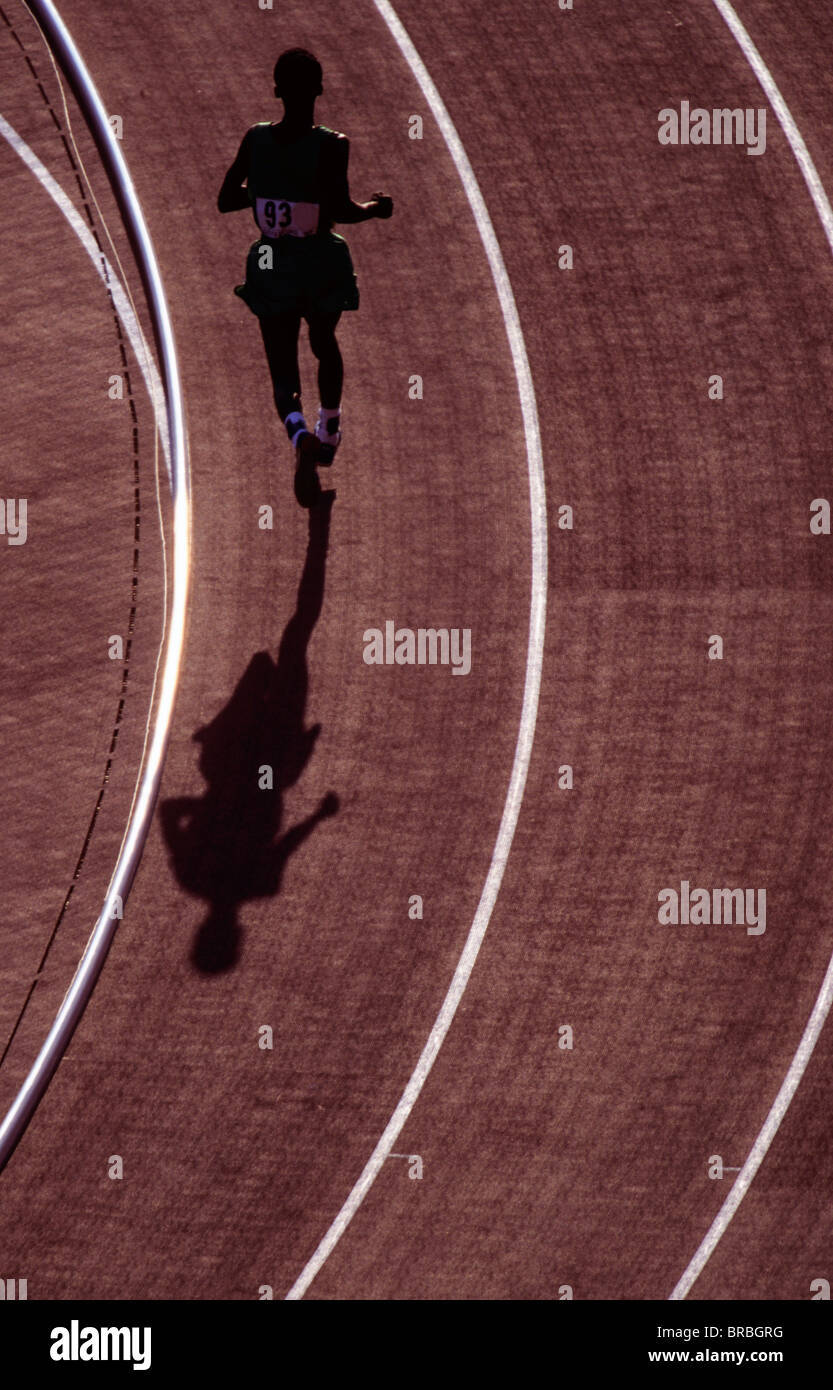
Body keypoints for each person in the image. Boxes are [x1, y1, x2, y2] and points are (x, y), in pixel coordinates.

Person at [218, 47, 393, 506]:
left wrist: (263, 192)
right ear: (319, 89)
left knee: (281, 366)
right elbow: (340, 211)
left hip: (272, 262)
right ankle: (329, 430)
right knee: (324, 344)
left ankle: (300, 438)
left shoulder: (255, 140)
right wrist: (376, 209)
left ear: (276, 90)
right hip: (319, 261)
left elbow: (225, 198)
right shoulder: (333, 145)